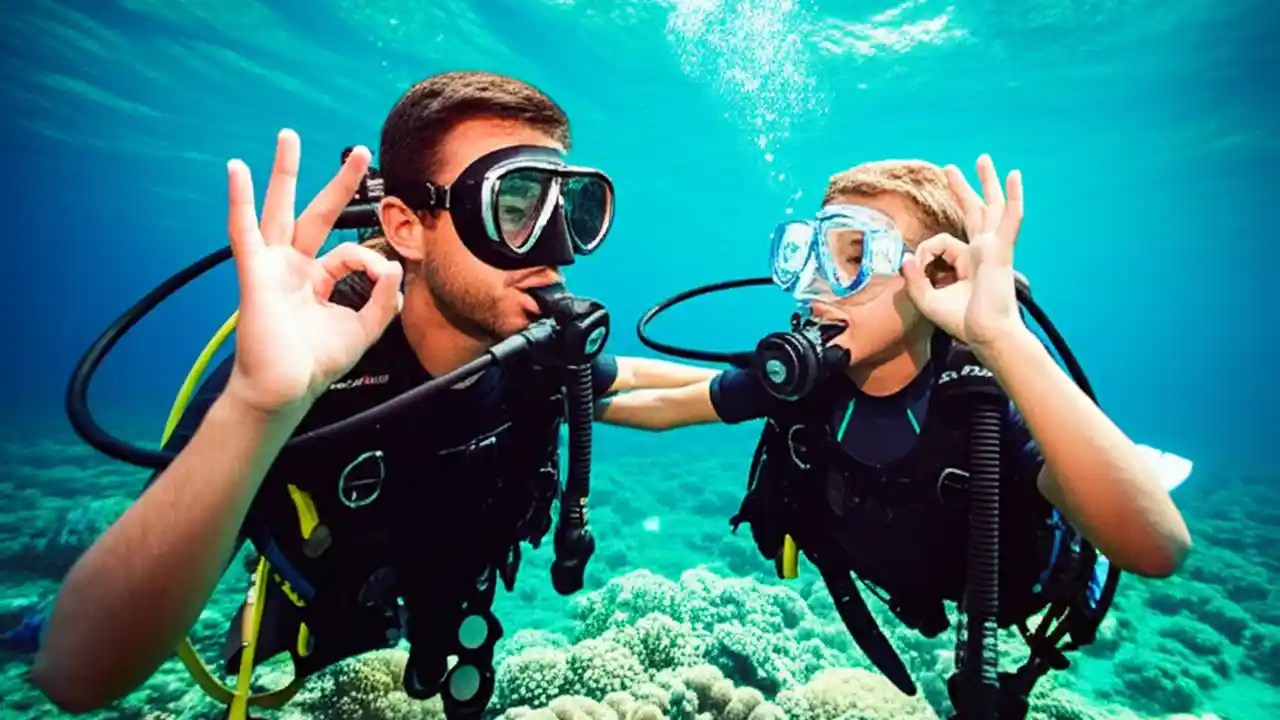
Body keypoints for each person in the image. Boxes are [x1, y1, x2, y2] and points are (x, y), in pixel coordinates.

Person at [30, 70, 715, 716]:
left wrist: (787, 380)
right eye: (513, 205)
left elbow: (631, 387)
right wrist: (258, 407)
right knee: (42, 639)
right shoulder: (310, 360)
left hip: (444, 603)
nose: (555, 248)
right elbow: (77, 675)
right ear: (405, 227)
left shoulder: (533, 351)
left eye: (570, 208)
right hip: (322, 616)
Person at [598, 155, 1192, 717]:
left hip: (1017, 588)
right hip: (911, 580)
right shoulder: (811, 382)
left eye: (855, 256)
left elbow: (1157, 548)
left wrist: (1004, 340)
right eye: (810, 254)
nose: (818, 285)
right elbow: (677, 399)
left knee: (1090, 474)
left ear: (933, 275)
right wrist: (571, 390)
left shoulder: (981, 402)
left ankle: (1116, 460)